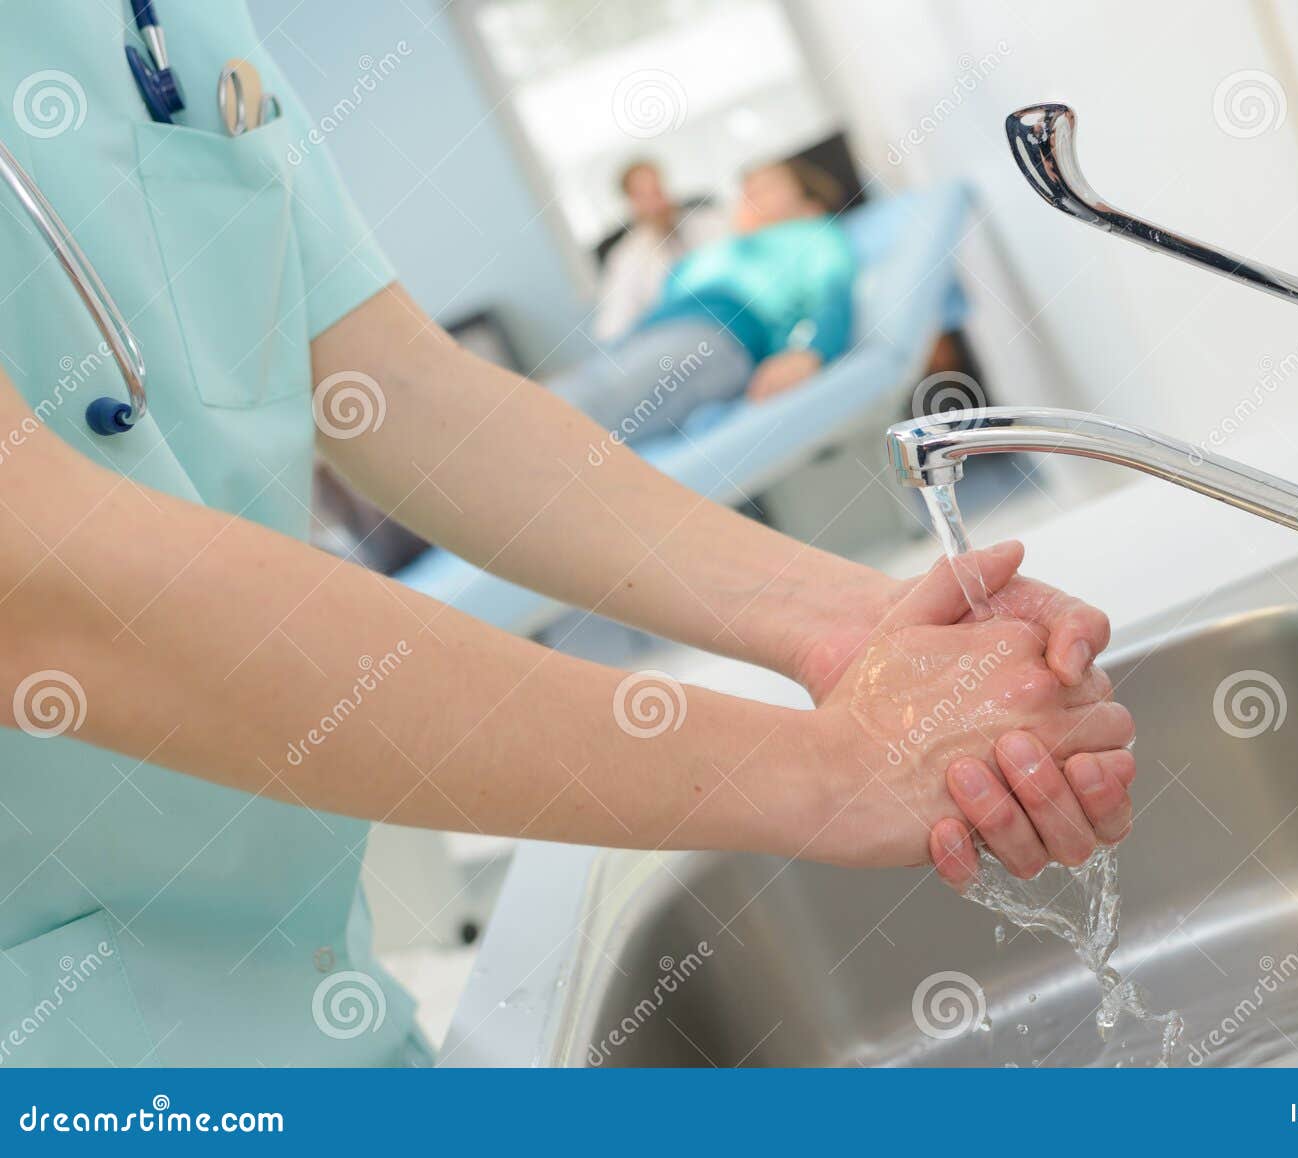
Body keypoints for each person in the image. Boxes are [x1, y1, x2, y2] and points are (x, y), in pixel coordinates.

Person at [0, 1, 1135, 1067]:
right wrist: (833, 770)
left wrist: (860, 628)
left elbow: (398, 388)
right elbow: (42, 587)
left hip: (302, 988)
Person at [553, 159, 855, 444]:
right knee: (559, 394)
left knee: (581, 409)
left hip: (715, 332)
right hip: (645, 335)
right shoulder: (714, 251)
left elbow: (832, 291)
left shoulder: (813, 233)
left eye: (769, 185)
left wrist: (809, 352)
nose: (749, 191)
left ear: (809, 206)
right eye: (747, 187)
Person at [592, 159, 724, 343]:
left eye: (657, 191)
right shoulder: (626, 257)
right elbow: (612, 328)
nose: (657, 204)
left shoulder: (708, 221)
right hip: (678, 335)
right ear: (630, 203)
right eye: (643, 196)